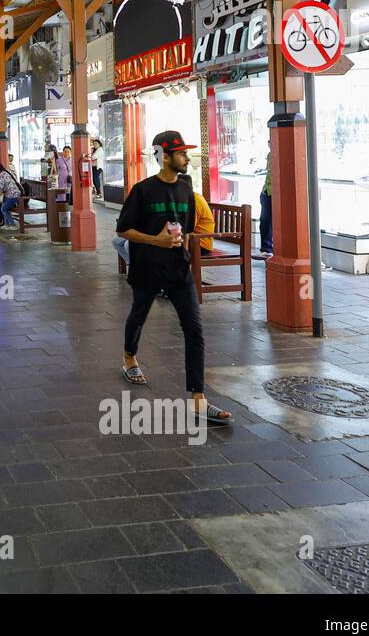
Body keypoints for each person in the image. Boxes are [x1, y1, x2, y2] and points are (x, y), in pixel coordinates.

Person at [115, 131, 232, 426]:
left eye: (185, 152)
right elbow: (123, 230)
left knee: (194, 330)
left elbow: (188, 229)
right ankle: (129, 356)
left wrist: (180, 244)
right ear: (164, 156)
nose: (186, 158)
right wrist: (155, 241)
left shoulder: (186, 192)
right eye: (180, 153)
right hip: (147, 268)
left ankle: (198, 399)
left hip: (179, 271)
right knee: (138, 315)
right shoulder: (142, 191)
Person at [0, 161, 23, 229]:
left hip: (13, 195)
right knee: (3, 206)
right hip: (13, 194)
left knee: (3, 209)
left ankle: (13, 225)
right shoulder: (6, 173)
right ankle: (6, 224)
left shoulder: (1, 176)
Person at [258, 142, 273, 259]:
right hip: (267, 192)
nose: (269, 144)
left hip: (276, 193)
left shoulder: (280, 155)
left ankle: (269, 248)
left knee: (269, 221)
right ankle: (266, 249)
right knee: (265, 221)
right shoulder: (270, 155)